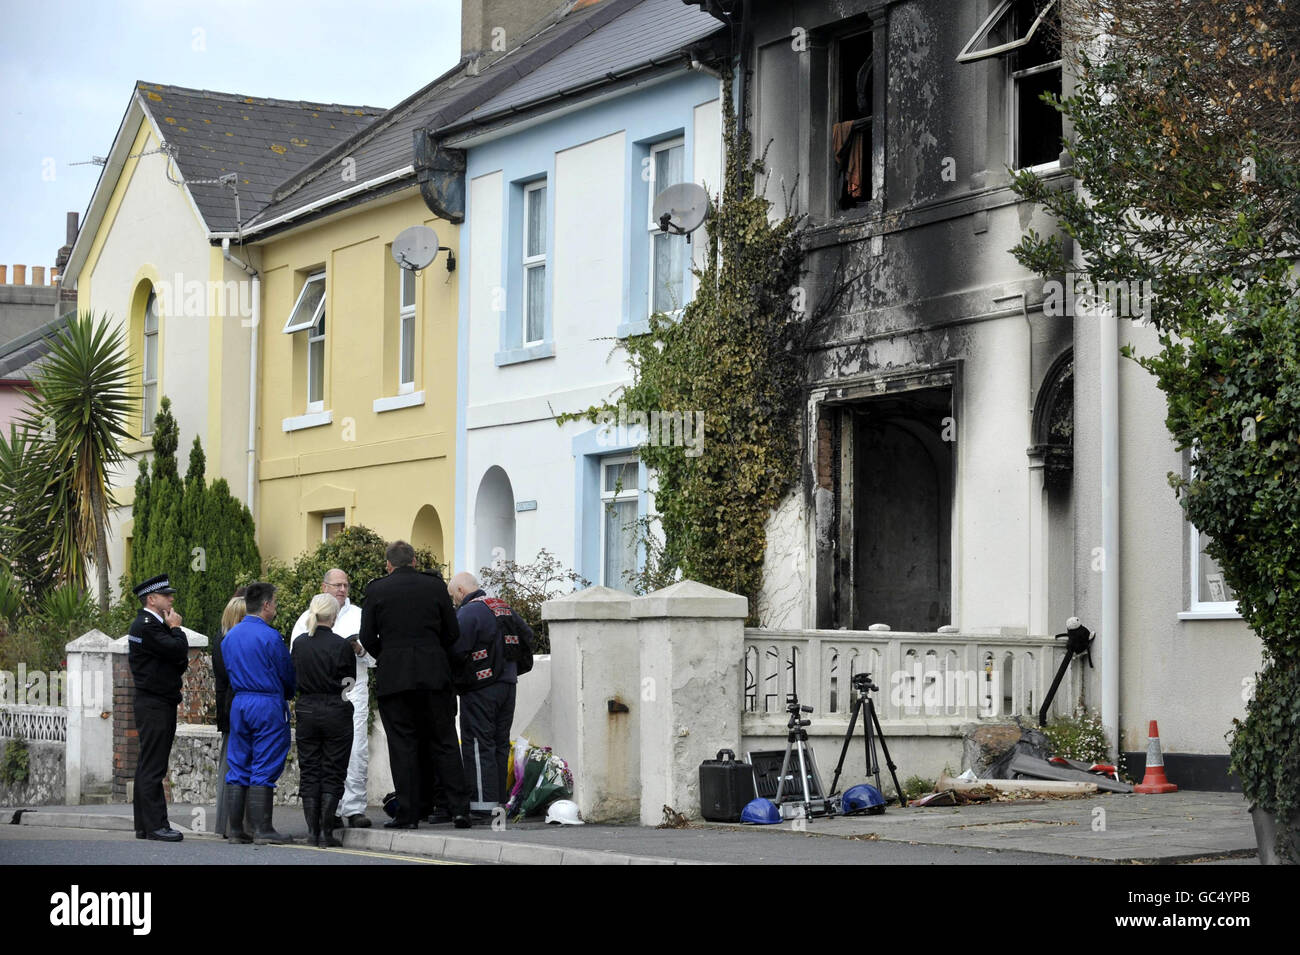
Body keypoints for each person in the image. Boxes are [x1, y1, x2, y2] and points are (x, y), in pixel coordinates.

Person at [358, 541, 470, 829]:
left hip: (395, 679)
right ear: (415, 561)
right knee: (444, 741)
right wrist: (432, 651)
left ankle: (409, 814)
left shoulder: (376, 589)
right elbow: (452, 632)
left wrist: (390, 655)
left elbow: (367, 637)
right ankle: (459, 810)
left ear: (388, 564)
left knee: (403, 745)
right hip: (434, 675)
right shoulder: (434, 587)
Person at [448, 571, 535, 818]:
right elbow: (527, 636)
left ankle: (481, 805)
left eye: (453, 597)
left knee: (477, 743)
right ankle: (499, 803)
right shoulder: (502, 607)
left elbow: (456, 649)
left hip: (481, 688)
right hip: (508, 684)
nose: (454, 603)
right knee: (499, 742)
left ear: (461, 591)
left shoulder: (468, 612)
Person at [291, 569, 372, 829]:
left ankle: (354, 808)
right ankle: (329, 815)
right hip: (319, 696)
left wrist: (359, 649)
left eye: (346, 585)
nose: (342, 589)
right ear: (324, 587)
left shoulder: (360, 615)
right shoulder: (307, 617)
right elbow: (296, 655)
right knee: (324, 758)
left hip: (353, 692)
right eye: (337, 585)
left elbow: (374, 658)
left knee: (356, 752)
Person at [221, 581, 296, 845]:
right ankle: (262, 829)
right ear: (266, 605)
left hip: (240, 702)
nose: (275, 608)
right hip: (265, 702)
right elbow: (286, 675)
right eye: (274, 603)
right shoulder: (270, 636)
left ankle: (235, 830)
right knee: (264, 763)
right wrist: (286, 694)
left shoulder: (230, 637)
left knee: (239, 763)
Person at [127, 574, 189, 843]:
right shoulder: (149, 626)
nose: (171, 599)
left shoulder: (150, 624)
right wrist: (176, 628)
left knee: (147, 764)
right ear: (152, 599)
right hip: (155, 703)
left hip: (154, 701)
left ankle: (144, 824)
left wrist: (175, 648)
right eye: (166, 595)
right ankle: (155, 826)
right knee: (153, 766)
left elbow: (179, 661)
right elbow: (177, 652)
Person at [291, 593, 357, 847]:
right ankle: (327, 832)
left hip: (307, 708)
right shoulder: (341, 645)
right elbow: (349, 681)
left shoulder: (300, 643)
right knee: (333, 769)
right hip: (334, 709)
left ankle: (311, 831)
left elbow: (293, 676)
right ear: (334, 615)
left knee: (309, 769)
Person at [212, 589, 246, 839]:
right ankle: (234, 824)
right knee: (235, 767)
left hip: (227, 708)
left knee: (230, 766)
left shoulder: (220, 639)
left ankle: (227, 824)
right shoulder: (232, 643)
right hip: (236, 708)